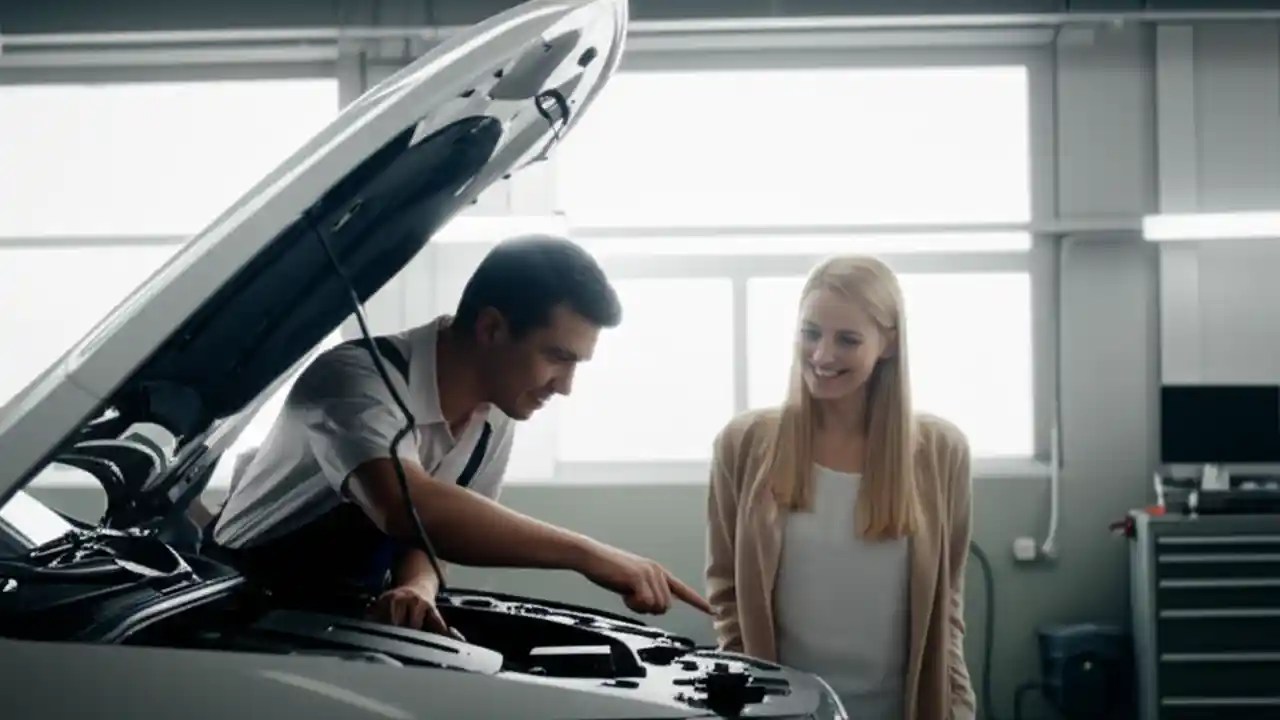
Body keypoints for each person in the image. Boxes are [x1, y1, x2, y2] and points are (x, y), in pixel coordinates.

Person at [211, 234, 710, 635]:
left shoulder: (498, 416)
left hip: (336, 617)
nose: (565, 387)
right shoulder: (353, 379)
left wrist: (417, 589)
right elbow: (406, 506)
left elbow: (436, 539)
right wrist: (589, 555)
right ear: (492, 328)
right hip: (231, 612)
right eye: (557, 357)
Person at [704, 255, 975, 720]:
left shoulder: (941, 451)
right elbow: (726, 591)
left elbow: (946, 610)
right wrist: (752, 697)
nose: (823, 355)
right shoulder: (743, 444)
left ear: (887, 344)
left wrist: (957, 707)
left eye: (847, 339)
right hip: (786, 712)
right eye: (811, 333)